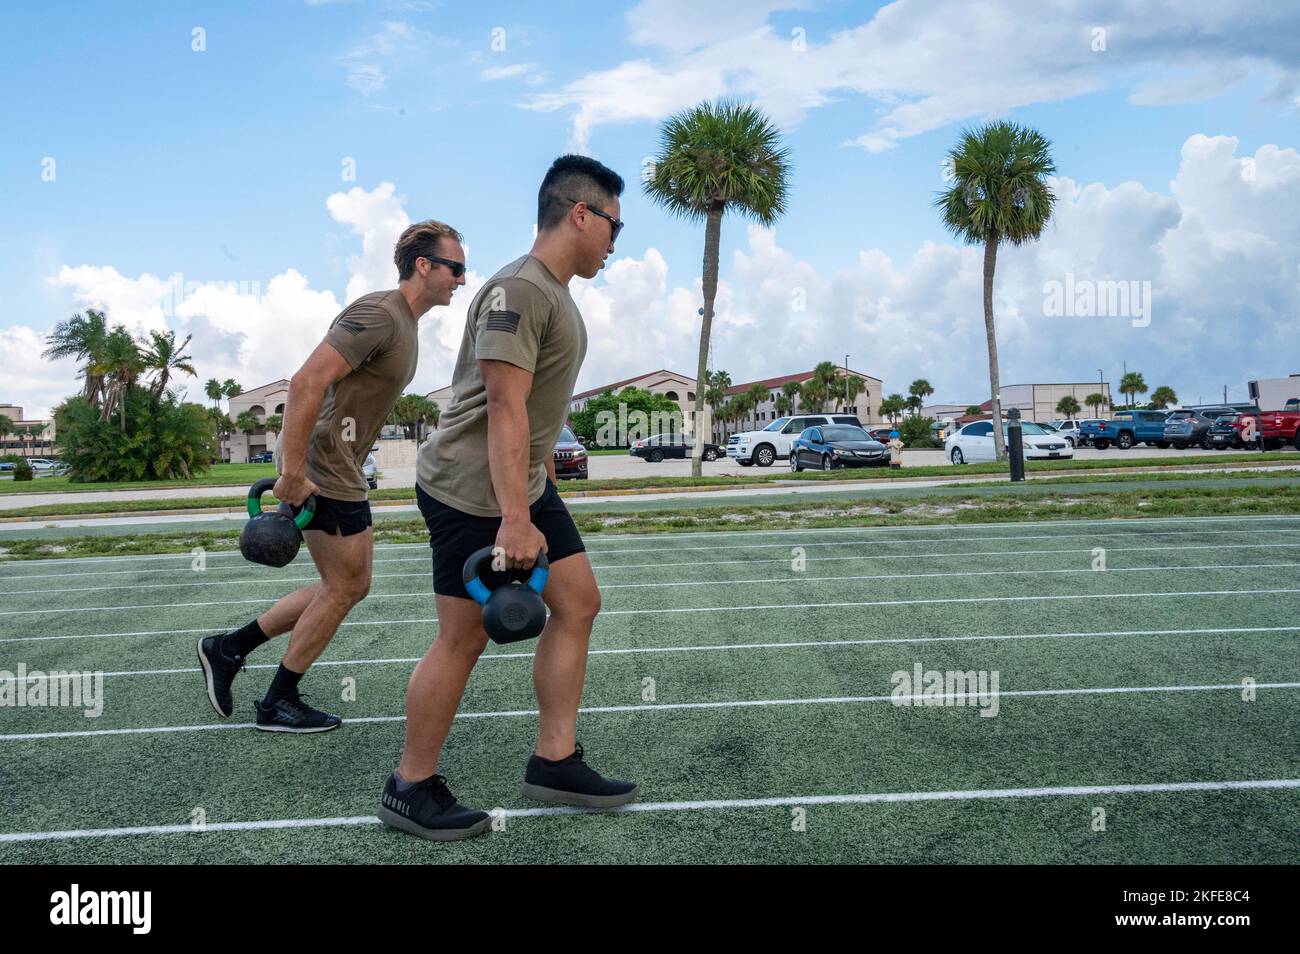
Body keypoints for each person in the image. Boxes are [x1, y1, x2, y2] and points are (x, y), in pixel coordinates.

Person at [377, 156, 636, 841]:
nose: (616, 241)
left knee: (578, 602)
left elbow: (537, 406)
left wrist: (538, 484)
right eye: (614, 224)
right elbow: (501, 402)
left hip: (522, 481)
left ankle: (554, 761)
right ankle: (410, 786)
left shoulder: (556, 292)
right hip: (471, 489)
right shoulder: (519, 290)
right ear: (580, 214)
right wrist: (515, 520)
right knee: (463, 638)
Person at [197, 220, 466, 732]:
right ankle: (276, 699)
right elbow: (306, 381)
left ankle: (229, 649)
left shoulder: (406, 323)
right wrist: (292, 473)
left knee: (343, 585)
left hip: (341, 468)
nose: (461, 279)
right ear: (423, 265)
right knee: (346, 587)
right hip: (323, 469)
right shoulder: (379, 313)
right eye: (455, 268)